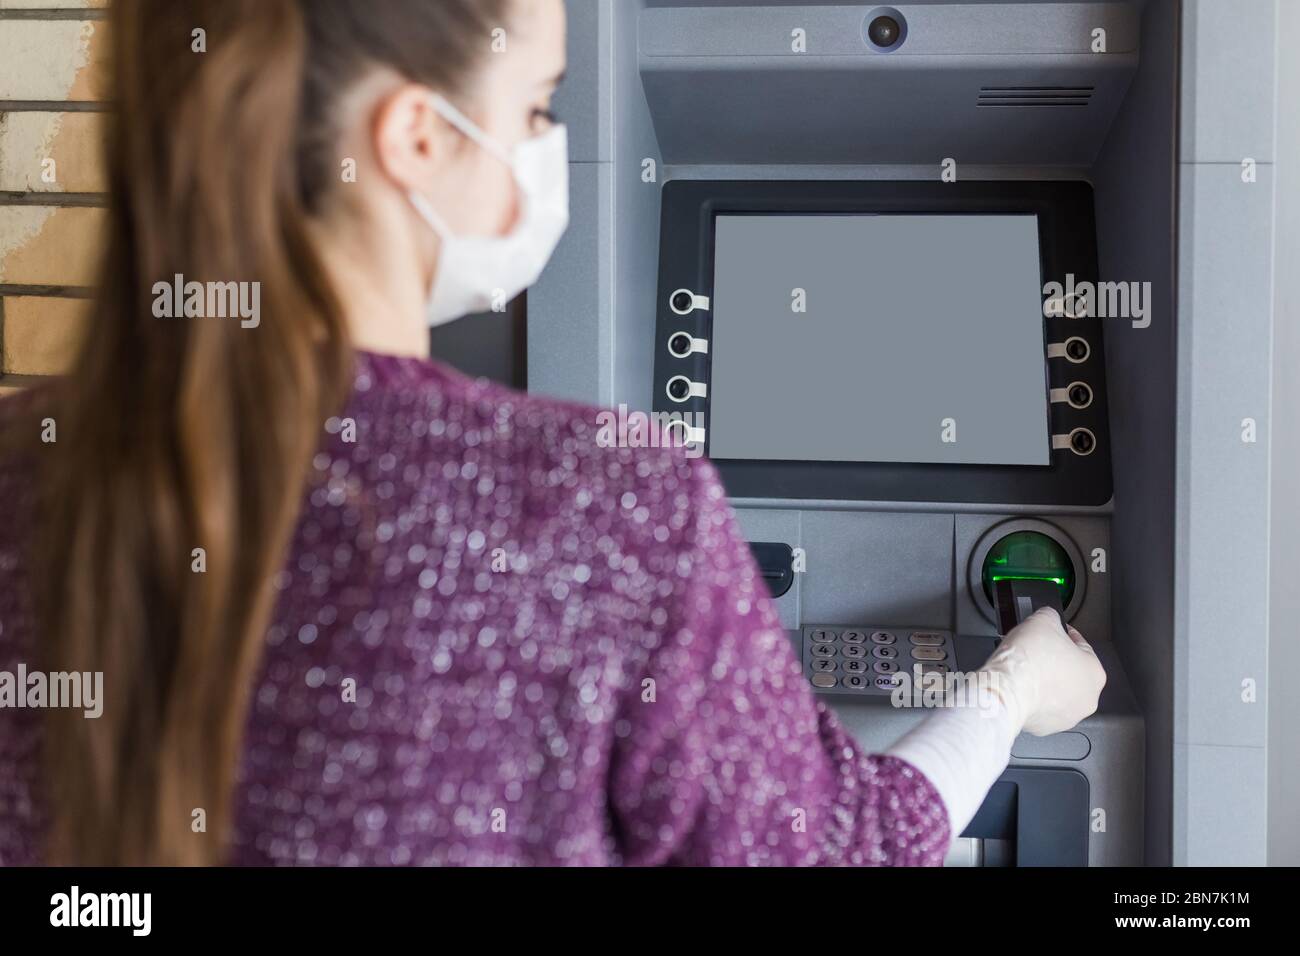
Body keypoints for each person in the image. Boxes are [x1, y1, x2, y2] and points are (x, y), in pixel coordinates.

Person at [0, 0, 1105, 866]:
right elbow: (841, 846)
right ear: (417, 138)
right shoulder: (602, 505)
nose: (545, 149)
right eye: (533, 109)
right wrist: (1009, 687)